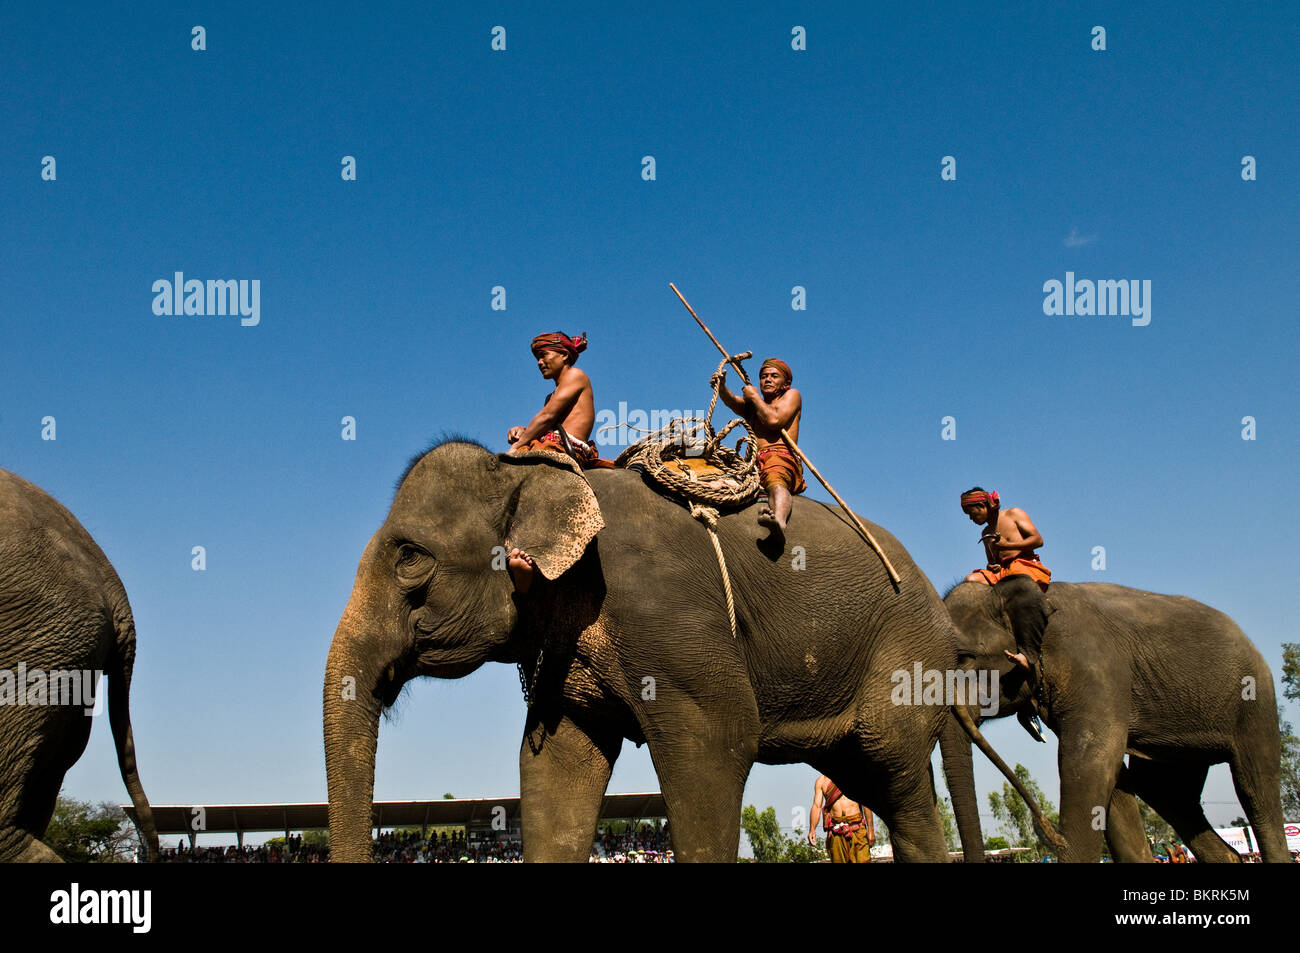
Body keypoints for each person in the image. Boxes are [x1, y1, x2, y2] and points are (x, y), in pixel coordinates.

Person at [505, 331, 598, 593]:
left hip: (566, 450)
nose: (539, 362)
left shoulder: (576, 377)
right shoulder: (553, 393)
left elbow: (547, 418)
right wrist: (522, 431)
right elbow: (547, 421)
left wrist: (518, 445)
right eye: (536, 357)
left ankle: (527, 560)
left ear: (564, 355)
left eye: (543, 355)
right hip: (549, 443)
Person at [711, 358, 803, 543]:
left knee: (776, 481)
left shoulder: (792, 395)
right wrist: (722, 388)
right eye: (763, 376)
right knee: (717, 480)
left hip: (780, 456)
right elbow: (733, 402)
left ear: (786, 383)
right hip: (752, 461)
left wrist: (753, 397)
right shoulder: (756, 408)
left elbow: (774, 420)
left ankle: (779, 519)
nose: (767, 380)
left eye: (774, 376)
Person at [808, 774, 874, 863]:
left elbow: (866, 802)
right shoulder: (821, 781)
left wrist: (871, 831)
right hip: (836, 832)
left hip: (857, 828)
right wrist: (812, 829)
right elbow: (816, 806)